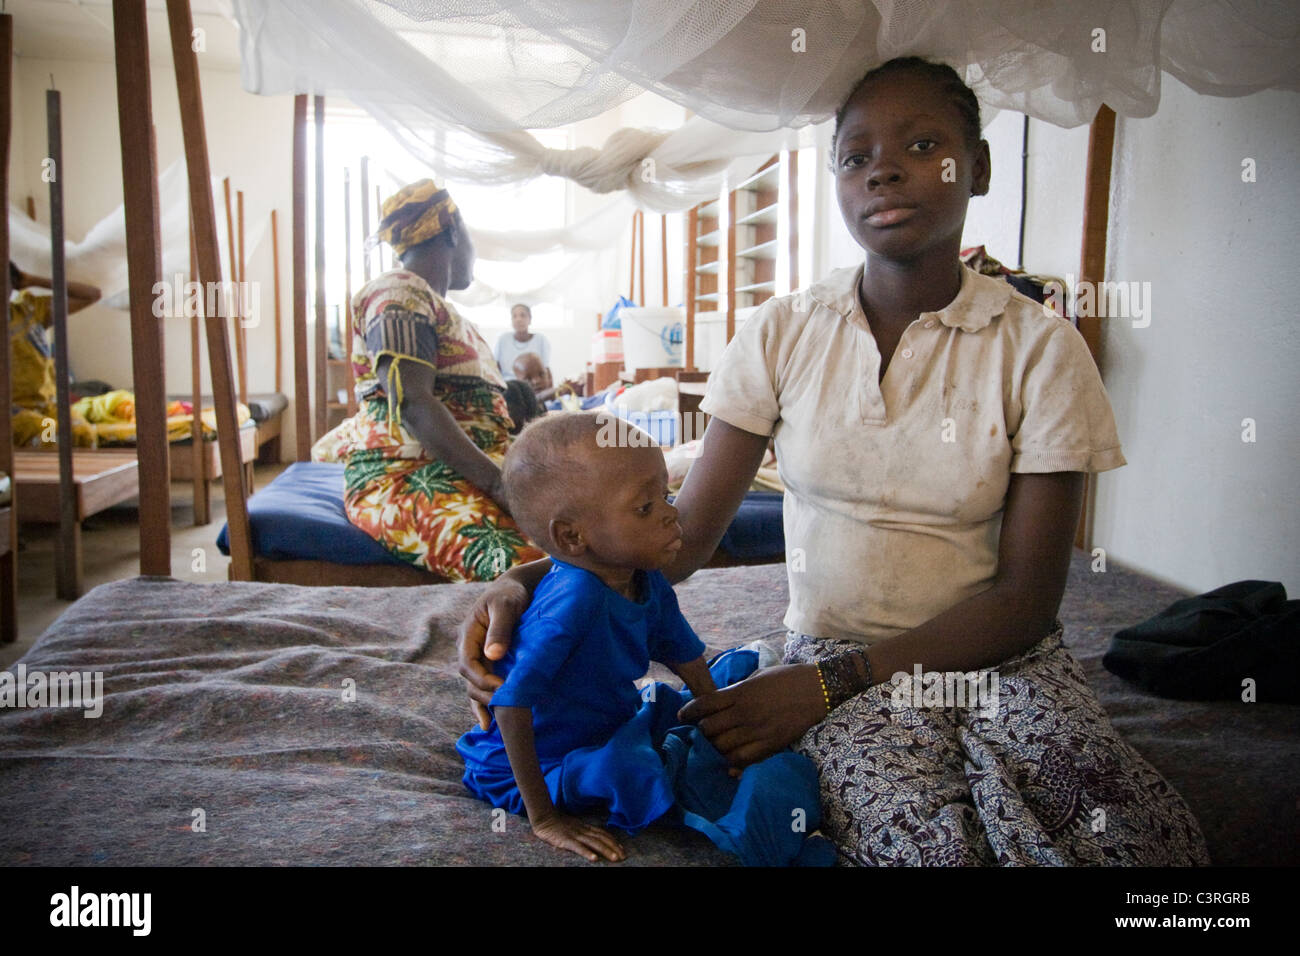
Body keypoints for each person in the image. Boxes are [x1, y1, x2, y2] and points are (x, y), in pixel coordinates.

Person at [457, 57, 1210, 865]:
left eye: (923, 145)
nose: (883, 169)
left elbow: (1027, 598)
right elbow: (681, 540)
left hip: (1002, 656)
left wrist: (829, 685)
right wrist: (524, 579)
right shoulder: (784, 333)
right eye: (855, 157)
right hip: (828, 648)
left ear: (977, 167)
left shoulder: (1039, 348)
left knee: (1133, 844)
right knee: (923, 849)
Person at [456, 412, 830, 865]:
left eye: (666, 495)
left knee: (726, 681)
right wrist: (545, 820)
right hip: (540, 760)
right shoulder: (574, 599)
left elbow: (690, 663)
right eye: (645, 507)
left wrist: (730, 737)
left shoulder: (643, 577)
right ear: (572, 536)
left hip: (607, 722)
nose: (672, 514)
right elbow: (510, 706)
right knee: (631, 771)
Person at [314, 180, 544, 581]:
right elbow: (413, 402)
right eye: (471, 236)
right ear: (453, 231)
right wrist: (498, 485)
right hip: (406, 475)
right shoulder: (397, 294)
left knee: (584, 542)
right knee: (529, 566)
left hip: (471, 469)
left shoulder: (444, 312)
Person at [8, 262, 100, 448]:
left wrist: (32, 280)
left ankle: (80, 477)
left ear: (13, 284)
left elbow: (91, 295)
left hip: (47, 406)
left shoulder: (30, 309)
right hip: (12, 412)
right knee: (49, 436)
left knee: (84, 434)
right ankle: (49, 476)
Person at [494, 303, 551, 380]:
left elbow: (545, 370)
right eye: (514, 316)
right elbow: (495, 367)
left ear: (530, 319)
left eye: (523, 315)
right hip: (507, 385)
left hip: (533, 385)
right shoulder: (503, 339)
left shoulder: (541, 340)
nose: (518, 320)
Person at [511, 351, 581, 404]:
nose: (536, 381)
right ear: (517, 383)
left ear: (549, 375)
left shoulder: (560, 398)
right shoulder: (516, 405)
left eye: (541, 374)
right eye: (528, 379)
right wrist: (542, 396)